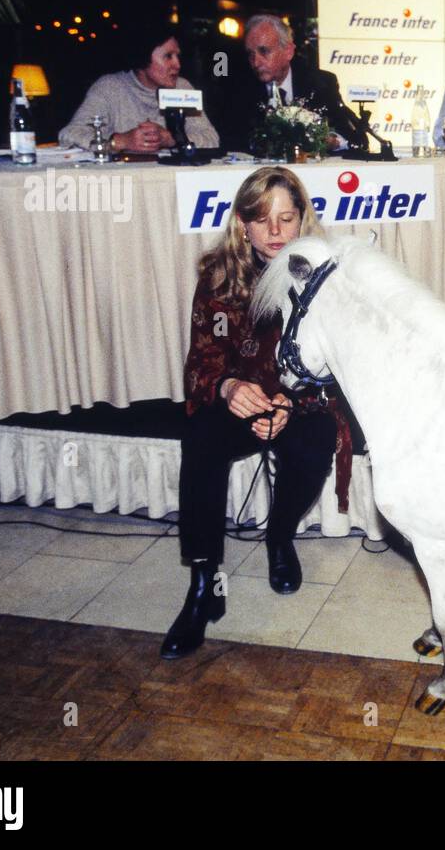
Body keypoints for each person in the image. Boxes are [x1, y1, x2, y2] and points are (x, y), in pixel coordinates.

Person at [162, 166, 339, 659]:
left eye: (287, 217)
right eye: (263, 220)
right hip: (239, 401)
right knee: (199, 441)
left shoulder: (327, 276)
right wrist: (229, 386)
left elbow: (338, 369)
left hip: (299, 401)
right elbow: (201, 363)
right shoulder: (219, 275)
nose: (277, 232)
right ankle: (202, 584)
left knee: (315, 441)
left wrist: (292, 401)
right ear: (243, 224)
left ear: (303, 218)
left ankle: (279, 538)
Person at [57, 25, 219, 153]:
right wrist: (120, 141)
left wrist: (172, 139)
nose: (177, 65)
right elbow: (69, 134)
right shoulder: (109, 88)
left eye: (178, 56)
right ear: (143, 58)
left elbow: (212, 139)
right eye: (168, 56)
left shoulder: (182, 87)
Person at [224, 14, 365, 153]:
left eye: (264, 51)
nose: (255, 62)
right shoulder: (237, 89)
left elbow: (353, 137)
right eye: (250, 54)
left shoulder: (321, 83)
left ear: (288, 51)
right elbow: (232, 141)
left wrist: (333, 141)